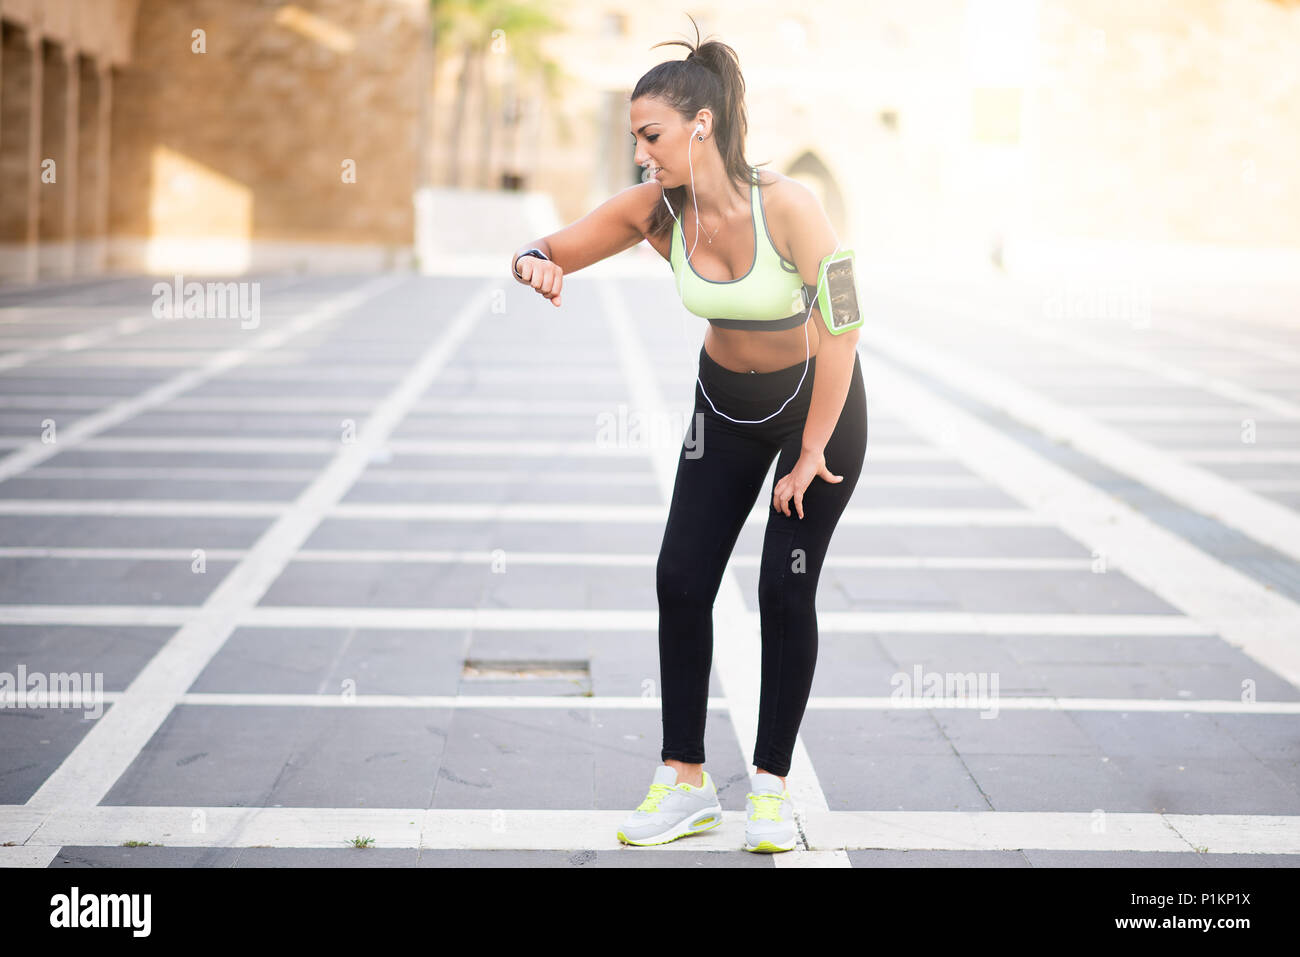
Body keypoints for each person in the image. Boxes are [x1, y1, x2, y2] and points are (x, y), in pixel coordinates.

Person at [509, 20, 867, 853]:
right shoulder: (656, 212)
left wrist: (813, 451)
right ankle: (685, 780)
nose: (642, 154)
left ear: (700, 124)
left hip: (823, 405)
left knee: (784, 587)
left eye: (652, 135)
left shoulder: (792, 206)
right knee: (680, 576)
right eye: (636, 138)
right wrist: (534, 263)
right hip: (727, 410)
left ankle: (771, 788)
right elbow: (548, 242)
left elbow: (844, 325)